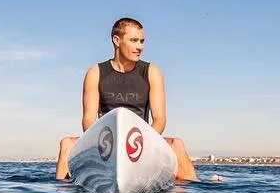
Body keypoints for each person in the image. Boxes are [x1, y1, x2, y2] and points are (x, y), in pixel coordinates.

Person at [55, 17, 199, 182]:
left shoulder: (152, 71)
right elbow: (88, 119)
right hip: (106, 142)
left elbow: (160, 119)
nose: (140, 47)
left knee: (177, 144)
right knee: (67, 143)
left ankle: (197, 189)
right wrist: (106, 143)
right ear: (117, 40)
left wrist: (140, 143)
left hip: (142, 141)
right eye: (134, 41)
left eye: (142, 41)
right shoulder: (95, 72)